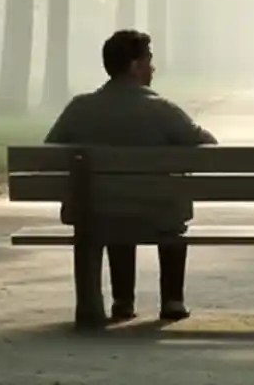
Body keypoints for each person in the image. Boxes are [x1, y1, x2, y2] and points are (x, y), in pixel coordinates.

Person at [44, 29, 217, 323]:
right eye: (149, 60)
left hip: (95, 214)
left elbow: (47, 156)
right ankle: (172, 301)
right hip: (158, 213)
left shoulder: (79, 108)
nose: (153, 67)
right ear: (135, 66)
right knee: (159, 213)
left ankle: (123, 301)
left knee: (111, 212)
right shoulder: (163, 110)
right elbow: (209, 148)